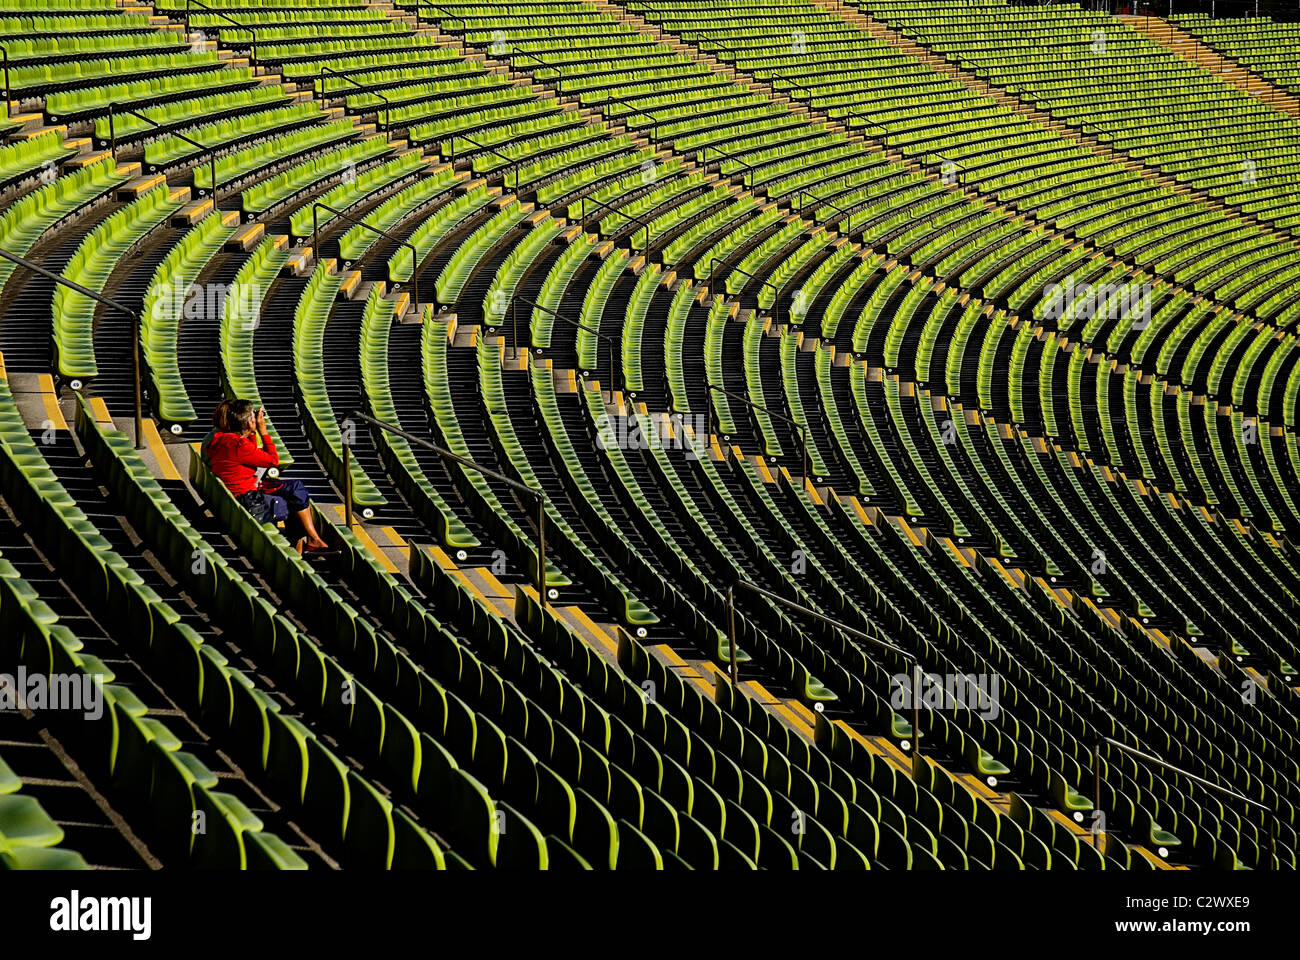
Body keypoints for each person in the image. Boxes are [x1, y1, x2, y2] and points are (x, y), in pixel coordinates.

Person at [206, 399, 332, 554]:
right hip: (249, 500)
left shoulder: (222, 439)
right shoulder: (239, 446)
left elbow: (250, 452)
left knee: (295, 488)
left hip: (235, 496)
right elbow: (273, 460)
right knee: (293, 502)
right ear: (248, 423)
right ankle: (304, 548)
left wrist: (251, 432)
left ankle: (312, 541)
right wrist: (263, 431)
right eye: (253, 417)